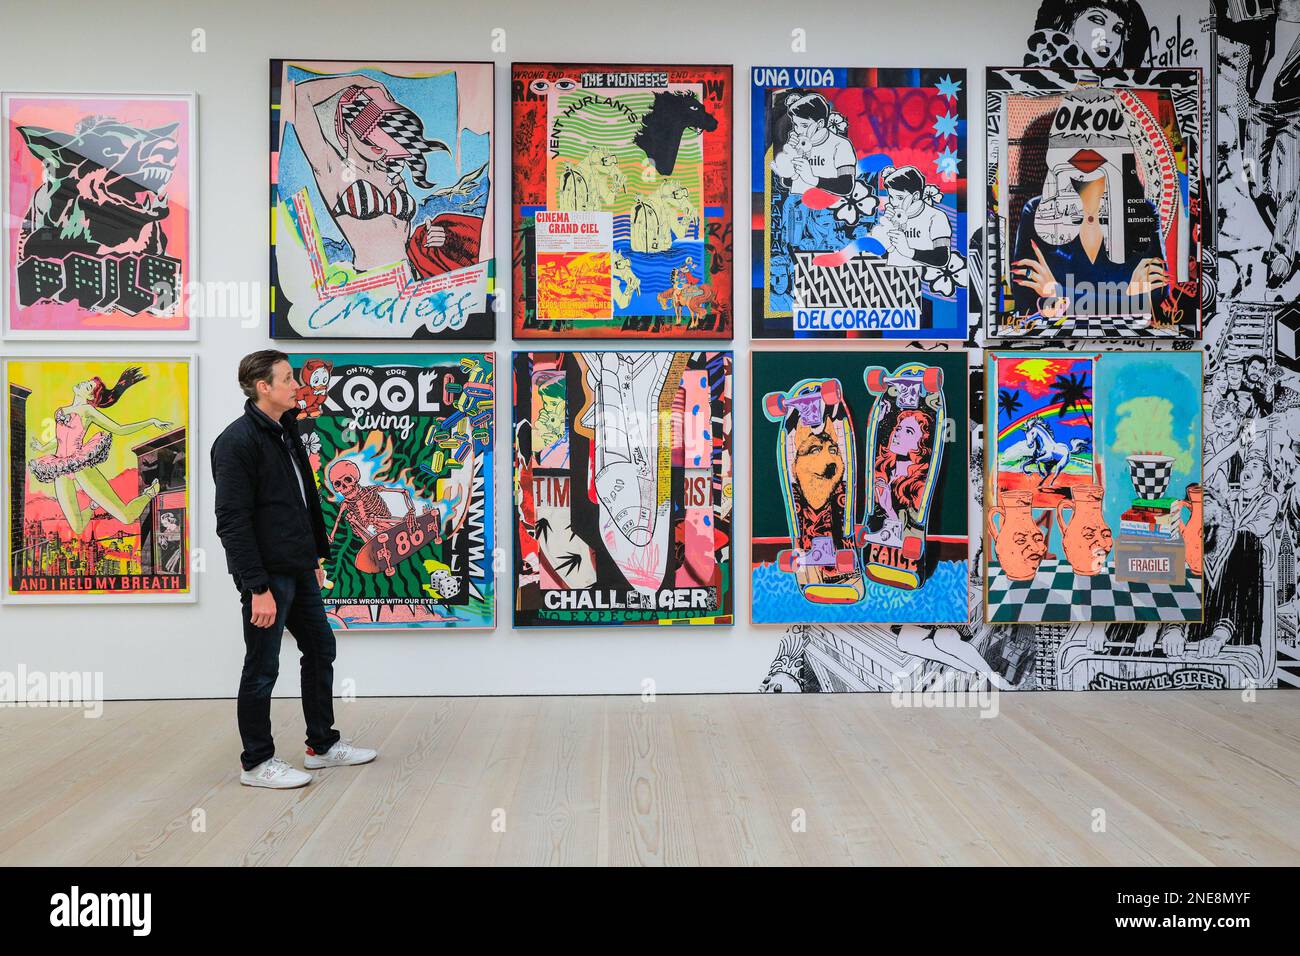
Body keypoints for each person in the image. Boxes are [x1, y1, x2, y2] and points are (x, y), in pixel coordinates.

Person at [212, 350, 377, 789]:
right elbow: (231, 522)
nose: (295, 384)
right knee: (262, 666)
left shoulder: (288, 429)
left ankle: (321, 747)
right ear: (262, 386)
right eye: (286, 378)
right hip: (267, 576)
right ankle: (257, 763)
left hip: (300, 567)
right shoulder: (236, 442)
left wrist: (318, 557)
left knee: (321, 648)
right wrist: (257, 587)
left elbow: (307, 502)